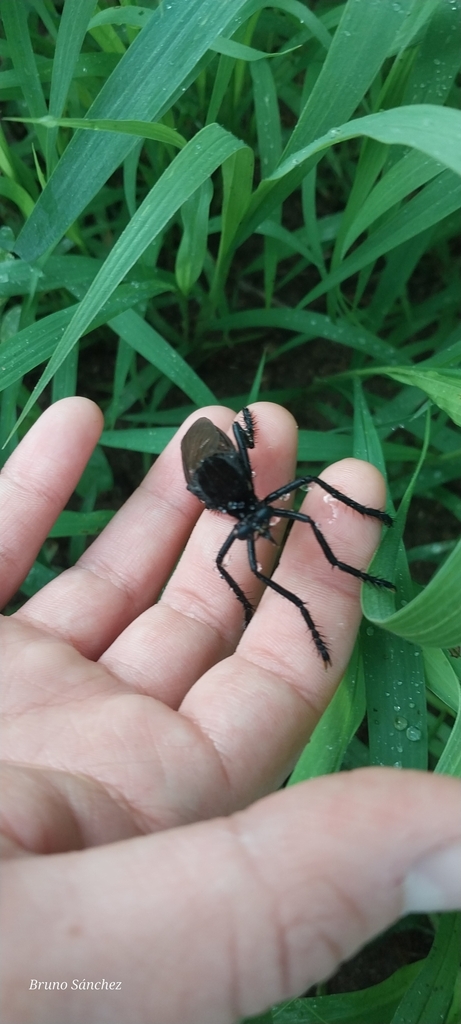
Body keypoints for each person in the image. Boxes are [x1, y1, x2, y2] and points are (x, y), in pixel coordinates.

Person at [1, 397, 460, 1024]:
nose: (262, 530)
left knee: (304, 502)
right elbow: (226, 558)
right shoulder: (231, 522)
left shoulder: (249, 501)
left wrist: (246, 451)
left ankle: (340, 555)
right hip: (221, 488)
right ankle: (305, 589)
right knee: (238, 557)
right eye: (255, 523)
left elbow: (261, 514)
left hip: (229, 482)